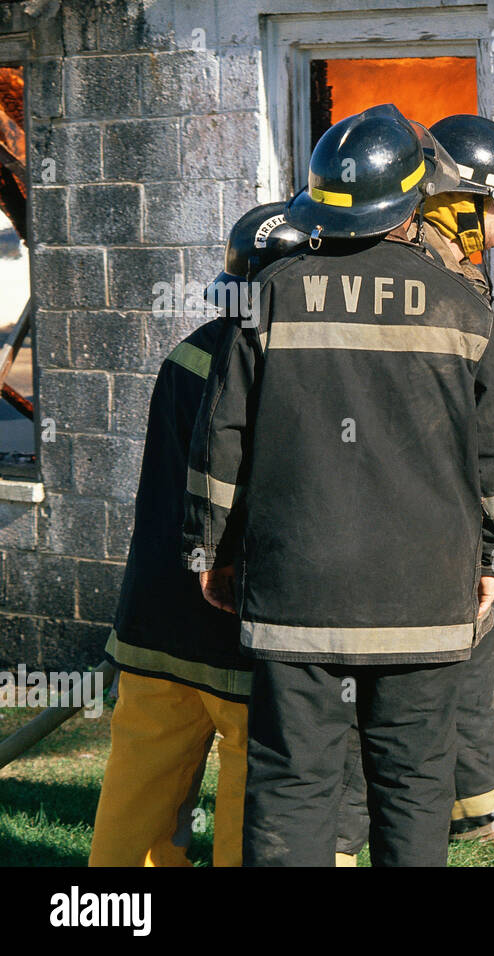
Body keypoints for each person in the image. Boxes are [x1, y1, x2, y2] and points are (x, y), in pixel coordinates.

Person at [182, 104, 494, 867]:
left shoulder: (267, 297)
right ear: (414, 202)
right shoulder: (463, 307)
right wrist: (492, 560)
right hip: (425, 599)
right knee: (414, 783)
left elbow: (221, 441)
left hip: (297, 597)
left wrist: (210, 549)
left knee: (294, 783)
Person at [338, 115, 494, 852]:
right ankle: (345, 834)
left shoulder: (450, 260)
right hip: (403, 520)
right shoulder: (418, 267)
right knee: (365, 703)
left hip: (438, 510)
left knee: (470, 654)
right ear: (456, 202)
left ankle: (480, 804)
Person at [88, 204, 306, 867]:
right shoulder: (291, 372)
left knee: (137, 802)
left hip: (154, 622)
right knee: (254, 807)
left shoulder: (188, 353)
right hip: (239, 636)